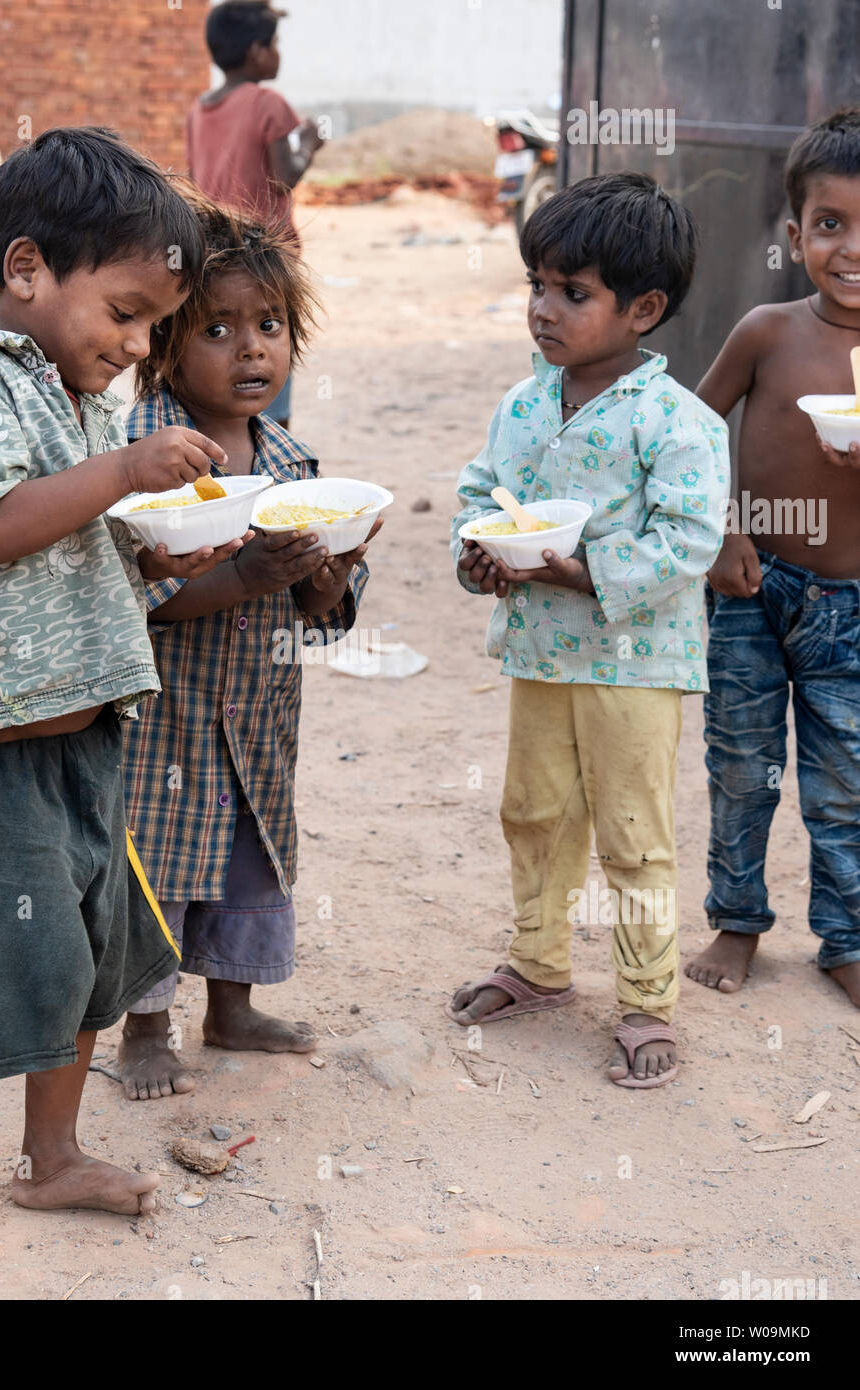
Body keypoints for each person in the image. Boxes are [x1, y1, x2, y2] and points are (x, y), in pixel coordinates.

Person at [0, 127, 240, 1223]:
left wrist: (154, 545)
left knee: (93, 953)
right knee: (21, 968)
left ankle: (53, 1155)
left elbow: (85, 539)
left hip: (88, 733)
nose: (136, 344)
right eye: (124, 313)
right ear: (26, 270)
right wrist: (126, 469)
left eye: (152, 326)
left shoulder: (87, 404)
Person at [445, 173, 729, 1087]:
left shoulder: (674, 418)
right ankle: (537, 965)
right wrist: (477, 553)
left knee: (632, 831)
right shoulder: (523, 404)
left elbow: (688, 539)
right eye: (537, 285)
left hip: (633, 664)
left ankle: (646, 1001)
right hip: (539, 652)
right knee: (534, 812)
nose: (544, 309)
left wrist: (579, 570)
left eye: (573, 293)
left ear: (641, 308)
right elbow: (479, 494)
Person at [117, 199, 381, 1100]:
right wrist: (247, 578)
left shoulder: (295, 464)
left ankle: (231, 1007)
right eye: (219, 330)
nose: (252, 350)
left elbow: (319, 606)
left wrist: (330, 571)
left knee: (246, 853)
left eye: (269, 326)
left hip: (257, 714)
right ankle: (144, 1028)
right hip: (164, 721)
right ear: (162, 346)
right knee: (153, 861)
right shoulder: (145, 450)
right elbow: (138, 590)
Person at [686, 106, 860, 1006]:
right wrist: (720, 528)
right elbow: (683, 433)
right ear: (795, 235)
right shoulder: (766, 330)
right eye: (830, 224)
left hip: (853, 606)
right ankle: (737, 919)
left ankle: (845, 938)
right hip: (751, 590)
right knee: (740, 762)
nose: (850, 249)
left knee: (846, 786)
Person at [186, 0, 323, 427]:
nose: (278, 52)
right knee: (267, 348)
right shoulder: (268, 104)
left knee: (223, 356)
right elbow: (285, 177)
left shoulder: (199, 110)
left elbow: (195, 181)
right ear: (255, 51)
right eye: (275, 43)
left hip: (211, 258)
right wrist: (310, 147)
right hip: (265, 259)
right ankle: (272, 451)